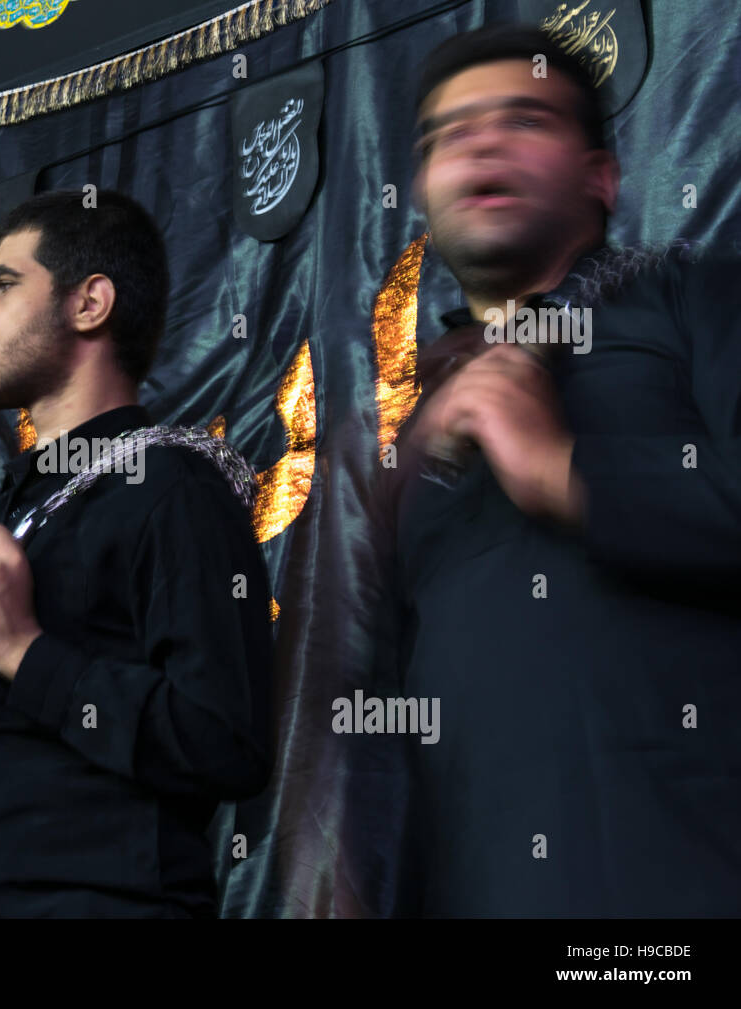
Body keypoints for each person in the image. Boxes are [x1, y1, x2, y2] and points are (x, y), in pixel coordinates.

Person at [369, 24, 741, 915]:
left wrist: (564, 472)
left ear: (600, 177)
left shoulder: (697, 296)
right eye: (448, 135)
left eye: (521, 120)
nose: (481, 145)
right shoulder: (409, 431)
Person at [0, 190, 273, 917]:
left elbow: (226, 742)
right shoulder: (10, 506)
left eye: (2, 284)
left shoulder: (175, 492)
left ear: (90, 302)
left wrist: (26, 655)